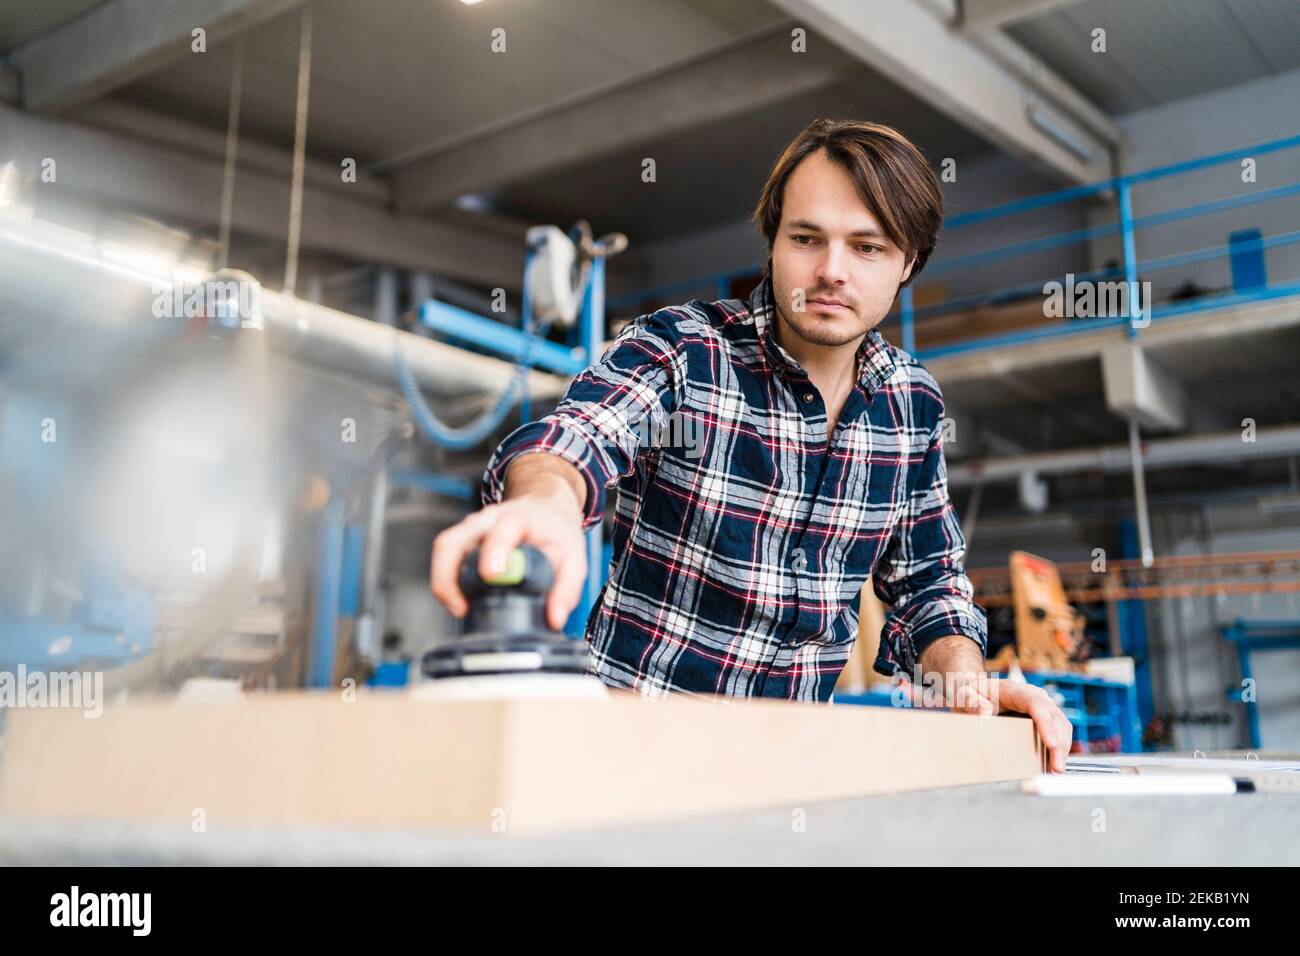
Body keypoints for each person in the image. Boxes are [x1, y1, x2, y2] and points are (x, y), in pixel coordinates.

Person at [431, 118, 1073, 771]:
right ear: (773, 242)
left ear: (909, 261)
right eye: (806, 238)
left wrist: (965, 686)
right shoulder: (684, 349)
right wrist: (546, 503)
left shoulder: (912, 404)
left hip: (784, 771)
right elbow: (576, 440)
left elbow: (928, 582)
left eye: (868, 247)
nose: (831, 271)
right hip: (627, 760)